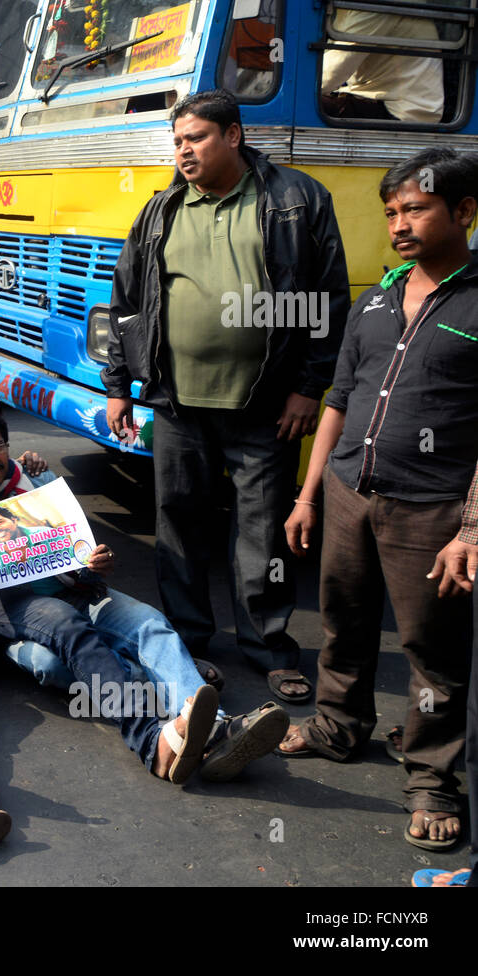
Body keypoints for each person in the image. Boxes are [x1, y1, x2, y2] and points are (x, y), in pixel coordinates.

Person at [0, 405, 288, 856]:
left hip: (76, 593)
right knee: (49, 664)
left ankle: (214, 729)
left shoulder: (40, 486)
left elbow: (84, 550)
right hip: (11, 612)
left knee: (150, 625)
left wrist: (94, 561)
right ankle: (172, 704)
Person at [105, 89, 351, 705]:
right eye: (178, 141)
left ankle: (268, 647)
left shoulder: (295, 201)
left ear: (234, 135)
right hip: (179, 405)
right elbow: (127, 306)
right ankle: (188, 640)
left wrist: (306, 387)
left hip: (264, 406)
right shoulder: (161, 210)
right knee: (179, 525)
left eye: (197, 138)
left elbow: (328, 300)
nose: (184, 151)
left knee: (261, 534)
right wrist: (120, 388)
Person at [277, 149, 478, 853]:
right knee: (344, 622)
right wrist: (308, 496)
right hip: (347, 495)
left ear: (464, 212)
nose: (398, 223)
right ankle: (338, 726)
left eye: (414, 209)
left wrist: (472, 532)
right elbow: (339, 400)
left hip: (433, 511)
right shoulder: (378, 298)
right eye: (391, 211)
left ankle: (431, 777)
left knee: (433, 651)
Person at [320, 6, 443, 123]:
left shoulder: (370, 9)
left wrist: (302, 89)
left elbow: (333, 71)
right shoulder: (345, 9)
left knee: (304, 103)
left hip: (401, 109)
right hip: (378, 98)